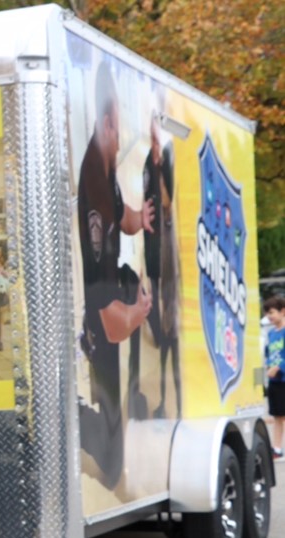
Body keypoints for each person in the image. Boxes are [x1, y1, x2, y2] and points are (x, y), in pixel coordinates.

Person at [76, 60, 155, 489]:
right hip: (98, 323)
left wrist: (138, 218)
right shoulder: (94, 188)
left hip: (103, 310)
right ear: (107, 123)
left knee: (114, 424)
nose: (121, 134)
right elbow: (109, 319)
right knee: (110, 461)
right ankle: (75, 419)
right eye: (119, 126)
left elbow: (121, 212)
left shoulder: (102, 165)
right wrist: (140, 311)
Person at [140, 110, 181, 419]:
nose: (152, 138)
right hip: (152, 251)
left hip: (166, 252)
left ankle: (170, 401)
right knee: (158, 323)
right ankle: (162, 401)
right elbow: (147, 203)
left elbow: (167, 202)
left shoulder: (166, 160)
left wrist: (160, 166)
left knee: (171, 334)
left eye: (156, 133)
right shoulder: (146, 165)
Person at [265, 296, 285, 458]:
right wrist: (269, 366)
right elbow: (269, 354)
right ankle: (277, 449)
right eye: (267, 313)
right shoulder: (271, 334)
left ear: (282, 311)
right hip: (275, 381)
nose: (269, 316)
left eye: (272, 312)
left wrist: (279, 367)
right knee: (278, 415)